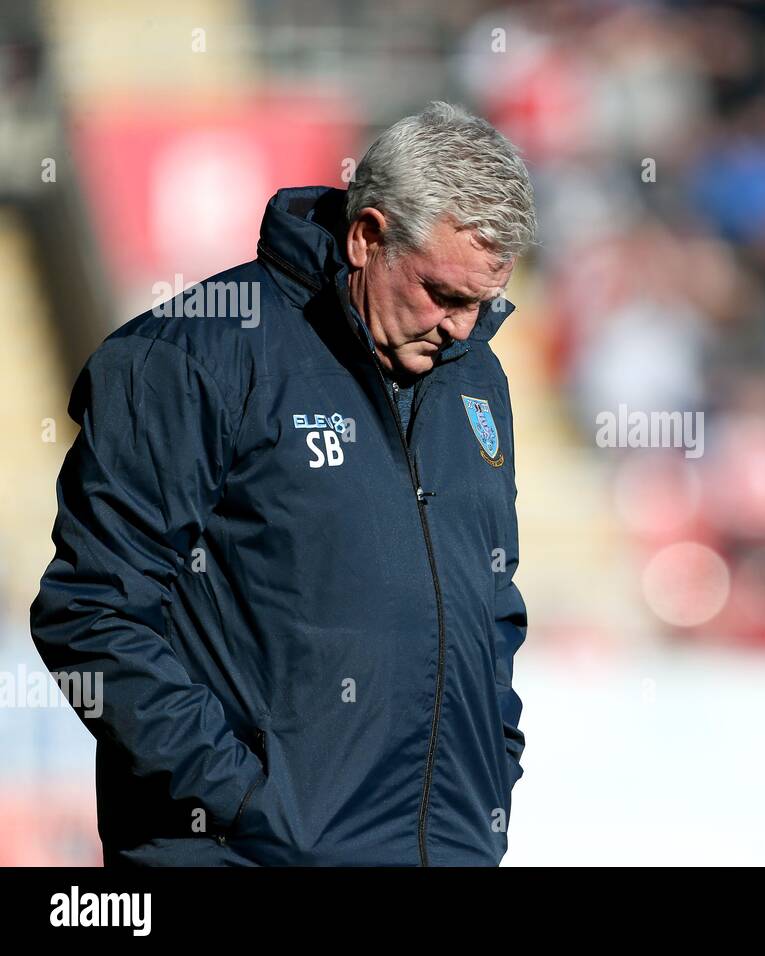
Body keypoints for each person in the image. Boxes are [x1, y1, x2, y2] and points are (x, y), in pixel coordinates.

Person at [30, 101, 538, 866]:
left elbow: (491, 606)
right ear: (367, 236)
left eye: (483, 301)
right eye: (444, 294)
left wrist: (488, 776)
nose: (464, 327)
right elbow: (90, 612)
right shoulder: (192, 356)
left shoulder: (475, 379)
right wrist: (240, 800)